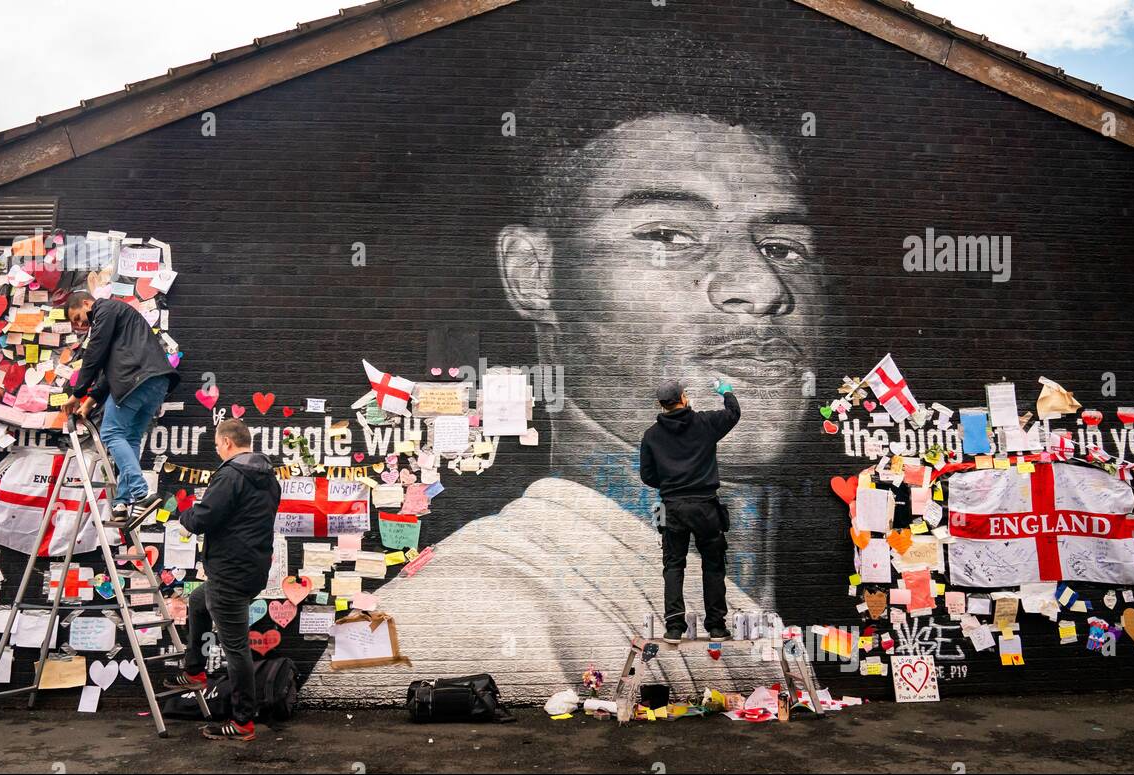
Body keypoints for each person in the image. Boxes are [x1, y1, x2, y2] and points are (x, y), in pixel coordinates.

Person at [299, 30, 824, 705]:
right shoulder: (459, 621)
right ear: (534, 274)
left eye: (784, 244)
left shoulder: (746, 603)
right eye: (668, 236)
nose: (760, 285)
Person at [165, 419, 280, 741]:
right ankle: (194, 671)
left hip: (229, 571)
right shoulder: (268, 477)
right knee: (199, 601)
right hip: (250, 569)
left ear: (227, 443)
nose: (217, 451)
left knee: (236, 649)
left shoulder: (231, 475)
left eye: (217, 445)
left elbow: (202, 519)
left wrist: (184, 514)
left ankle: (243, 721)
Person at [62, 291, 180, 521]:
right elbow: (109, 371)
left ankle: (141, 492)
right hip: (156, 383)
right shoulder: (121, 323)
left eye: (77, 317)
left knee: (111, 432)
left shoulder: (104, 310)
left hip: (136, 380)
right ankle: (122, 504)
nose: (79, 324)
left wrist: (77, 393)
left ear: (87, 303)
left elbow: (94, 354)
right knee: (131, 439)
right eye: (75, 322)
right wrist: (90, 402)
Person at [639, 380, 740, 643]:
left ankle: (674, 627)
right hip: (706, 506)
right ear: (683, 398)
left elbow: (647, 476)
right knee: (714, 565)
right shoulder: (705, 423)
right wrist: (726, 392)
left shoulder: (651, 435)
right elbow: (733, 414)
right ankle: (716, 626)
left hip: (672, 508)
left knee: (673, 565)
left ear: (662, 405)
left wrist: (671, 484)